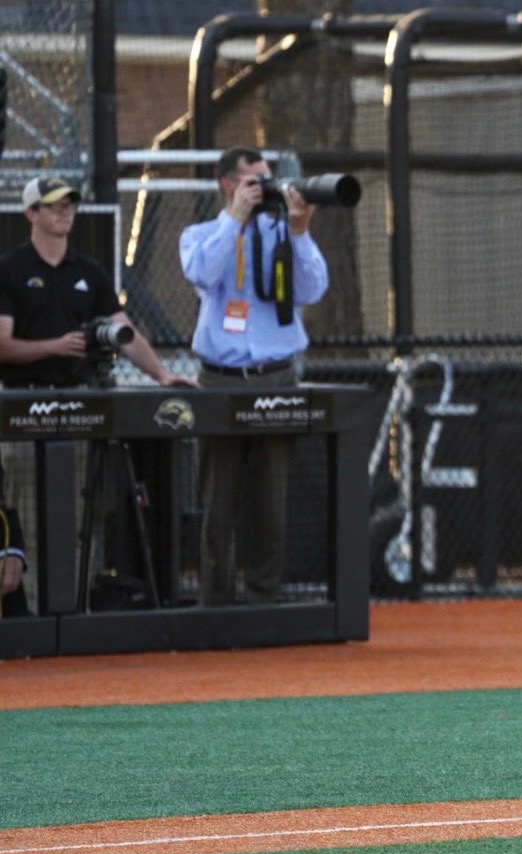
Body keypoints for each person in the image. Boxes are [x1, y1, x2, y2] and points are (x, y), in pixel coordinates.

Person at [0, 176, 199, 613]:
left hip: (77, 409)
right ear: (31, 213)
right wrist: (55, 346)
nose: (64, 211)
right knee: (26, 521)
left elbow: (123, 331)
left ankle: (72, 616)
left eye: (69, 204)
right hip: (22, 410)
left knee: (75, 519)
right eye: (54, 205)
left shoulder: (89, 271)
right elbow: (2, 343)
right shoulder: (10, 269)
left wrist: (163, 374)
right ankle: (34, 622)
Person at [180, 147, 329, 607]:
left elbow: (313, 289)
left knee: (271, 501)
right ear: (228, 185)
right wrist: (235, 220)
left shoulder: (282, 233)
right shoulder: (201, 234)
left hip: (276, 379)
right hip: (221, 380)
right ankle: (216, 603)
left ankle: (264, 598)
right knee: (217, 501)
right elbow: (203, 274)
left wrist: (300, 230)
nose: (264, 188)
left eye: (268, 179)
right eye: (253, 181)